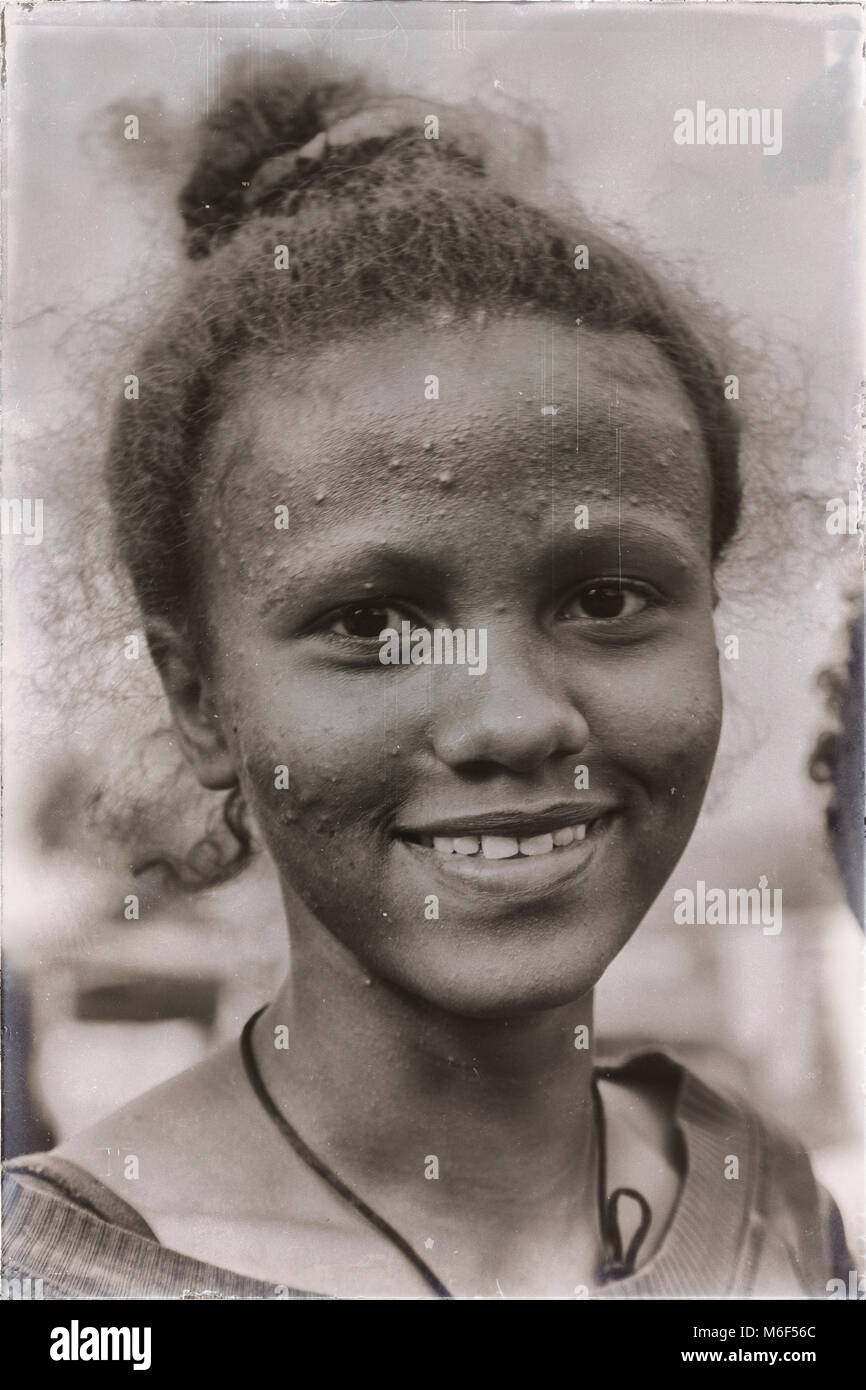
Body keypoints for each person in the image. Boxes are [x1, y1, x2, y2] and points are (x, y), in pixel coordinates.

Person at [2, 59, 852, 1300]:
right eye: (370, 620)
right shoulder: (68, 1290)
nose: (514, 716)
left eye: (607, 598)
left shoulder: (762, 1208)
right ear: (199, 702)